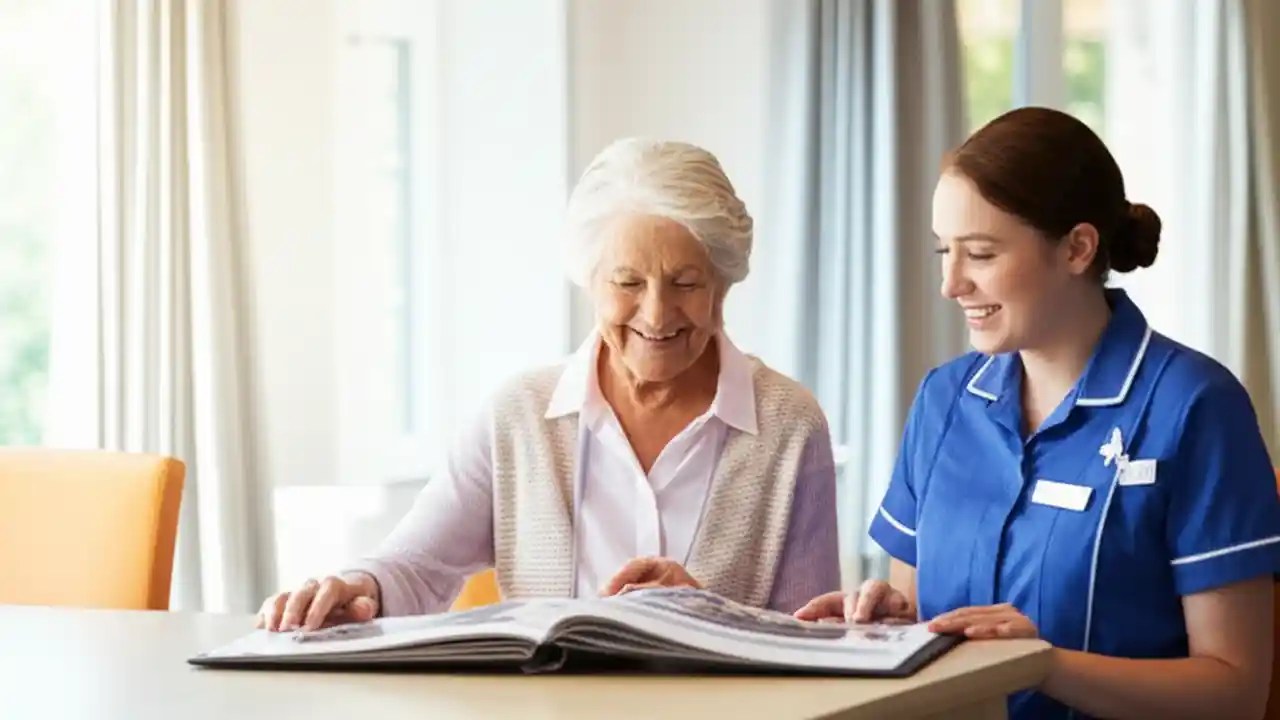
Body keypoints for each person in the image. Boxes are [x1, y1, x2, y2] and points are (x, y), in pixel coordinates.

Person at [795, 107, 1280, 720]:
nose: (951, 284)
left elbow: (1234, 694)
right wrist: (892, 621)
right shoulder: (944, 401)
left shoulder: (1196, 408)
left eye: (980, 253)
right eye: (944, 251)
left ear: (1077, 248)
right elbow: (921, 614)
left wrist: (1043, 665)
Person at [258, 138, 840, 633]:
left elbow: (810, 637)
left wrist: (701, 614)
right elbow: (418, 565)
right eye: (628, 282)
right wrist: (355, 587)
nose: (657, 315)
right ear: (589, 279)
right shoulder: (519, 416)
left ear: (723, 282)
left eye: (685, 283)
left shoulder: (788, 423)